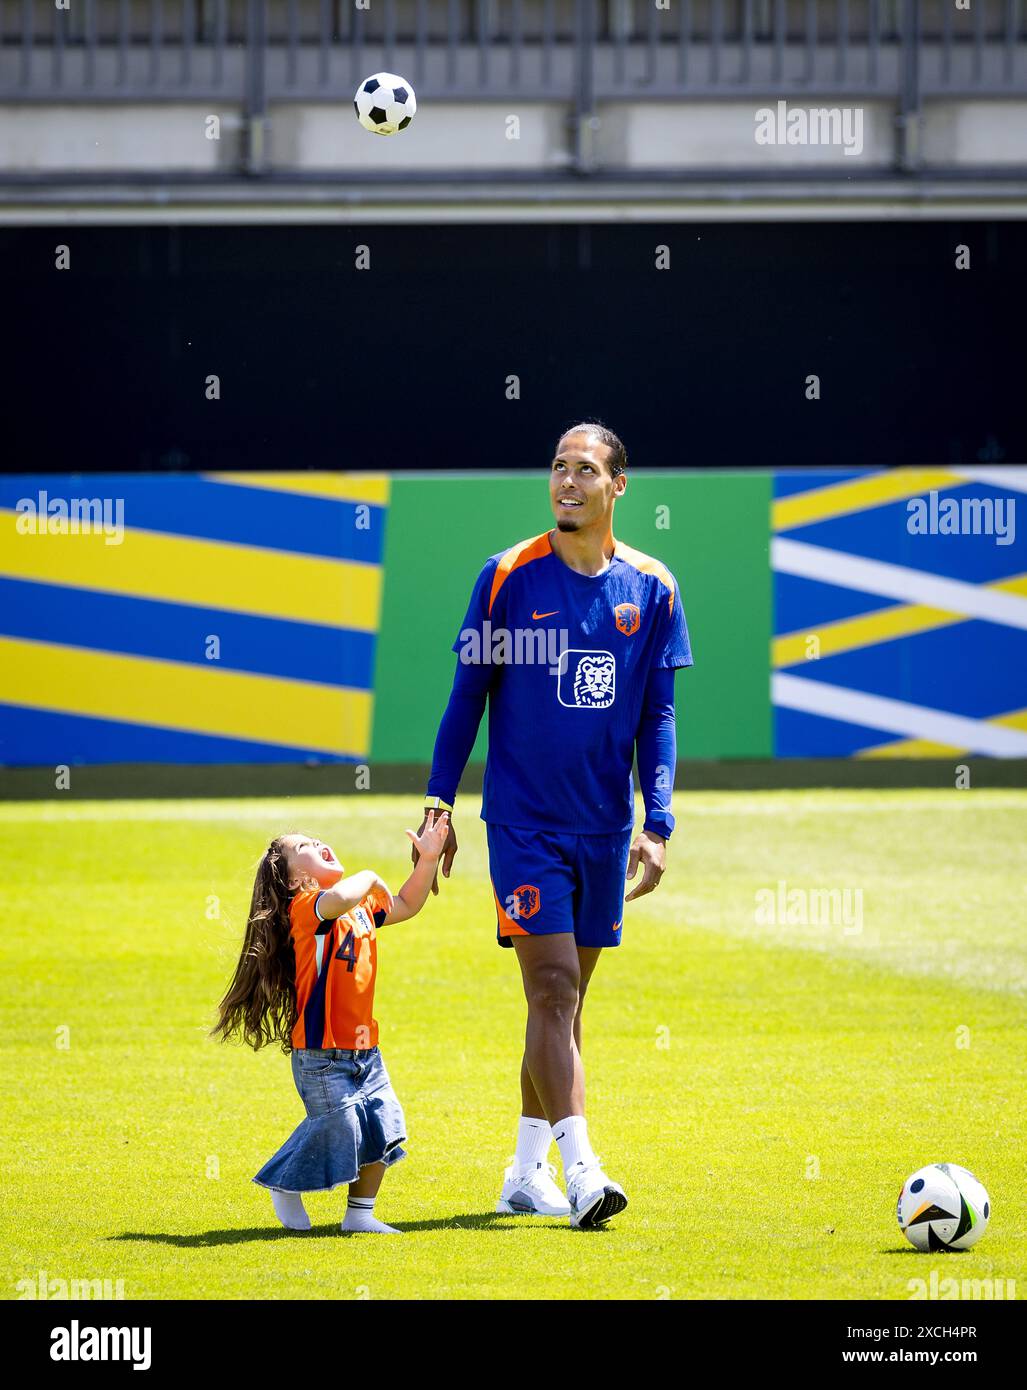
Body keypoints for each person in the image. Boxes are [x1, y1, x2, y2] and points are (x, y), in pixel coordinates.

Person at [415, 422, 693, 1229]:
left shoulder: (652, 588)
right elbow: (467, 696)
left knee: (562, 1013)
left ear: (617, 487)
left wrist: (658, 822)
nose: (566, 482)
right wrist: (439, 804)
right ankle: (584, 1173)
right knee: (551, 987)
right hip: (524, 825)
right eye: (557, 468)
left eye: (584, 470)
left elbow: (659, 715)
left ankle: (521, 1172)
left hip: (603, 830)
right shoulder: (506, 577)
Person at [212, 815, 449, 1233]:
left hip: (365, 1052)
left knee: (383, 1124)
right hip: (321, 1054)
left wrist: (427, 859)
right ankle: (284, 1183)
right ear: (291, 880)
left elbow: (406, 904)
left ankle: (360, 1215)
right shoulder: (307, 908)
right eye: (303, 847)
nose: (318, 843)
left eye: (317, 839)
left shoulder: (357, 906)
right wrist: (371, 875)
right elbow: (339, 895)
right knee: (339, 1125)